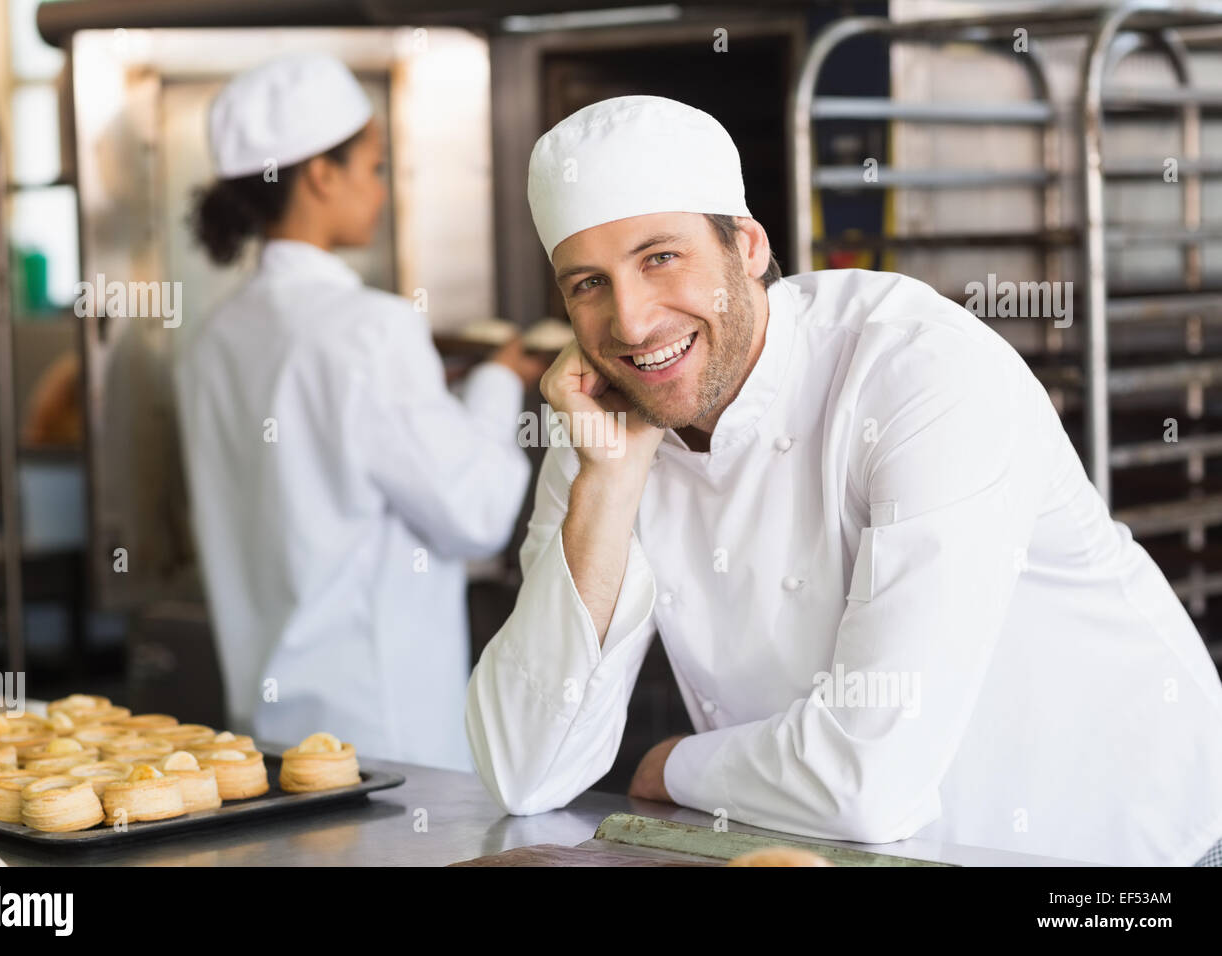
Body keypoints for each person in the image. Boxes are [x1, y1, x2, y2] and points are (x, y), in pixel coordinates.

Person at [465, 94, 1222, 865]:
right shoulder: (606, 417)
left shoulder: (918, 371)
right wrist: (609, 486)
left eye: (660, 258)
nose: (630, 323)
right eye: (588, 283)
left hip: (1134, 844)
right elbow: (526, 772)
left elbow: (868, 779)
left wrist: (670, 767)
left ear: (749, 246)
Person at [175, 54, 544, 771]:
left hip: (265, 733)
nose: (380, 188)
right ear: (320, 174)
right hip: (380, 738)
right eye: (373, 168)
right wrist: (499, 385)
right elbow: (477, 512)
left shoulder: (212, 339)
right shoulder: (369, 328)